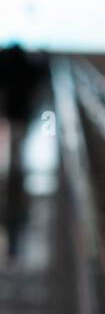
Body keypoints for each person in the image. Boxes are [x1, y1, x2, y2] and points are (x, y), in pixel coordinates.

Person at [0, 45, 44, 261]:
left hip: (16, 120)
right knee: (16, 169)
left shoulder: (11, 63)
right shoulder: (27, 66)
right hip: (18, 120)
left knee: (16, 170)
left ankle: (14, 234)